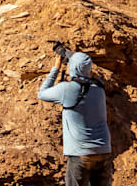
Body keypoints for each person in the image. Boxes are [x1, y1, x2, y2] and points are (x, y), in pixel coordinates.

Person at [38, 49, 112, 186]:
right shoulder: (99, 89)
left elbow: (42, 93)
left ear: (72, 67)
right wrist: (74, 58)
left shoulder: (67, 89)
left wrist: (56, 67)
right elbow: (84, 73)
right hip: (104, 150)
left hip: (81, 153)